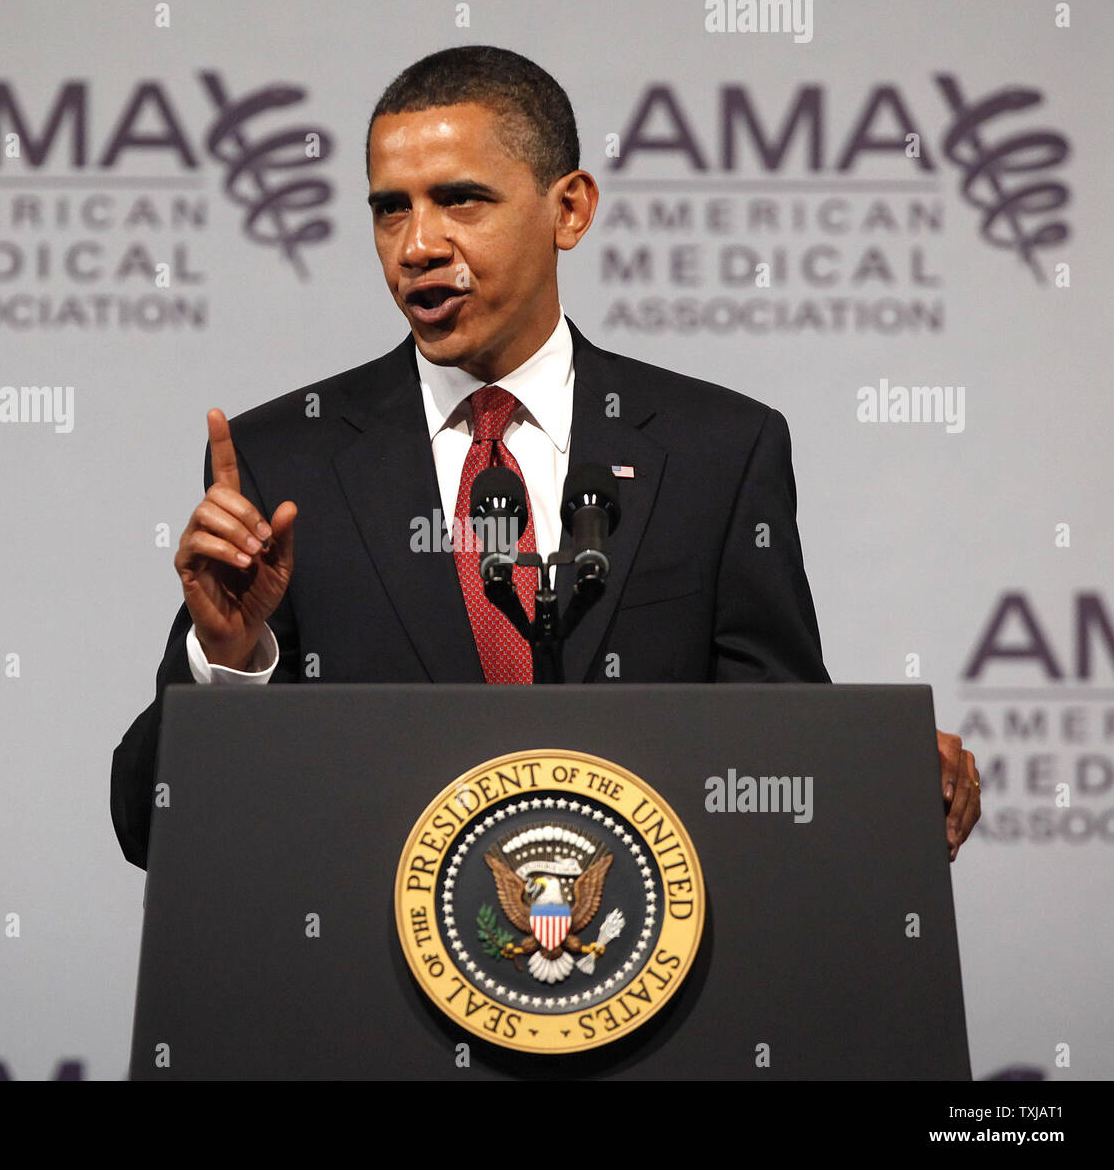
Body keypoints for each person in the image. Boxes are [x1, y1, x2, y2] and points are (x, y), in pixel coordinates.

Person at [111, 45, 980, 870]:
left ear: (569, 209)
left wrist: (876, 768)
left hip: (645, 996)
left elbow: (773, 755)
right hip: (372, 1003)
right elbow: (149, 822)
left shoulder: (718, 450)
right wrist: (227, 662)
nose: (418, 245)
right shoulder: (283, 462)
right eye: (390, 207)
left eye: (461, 200)